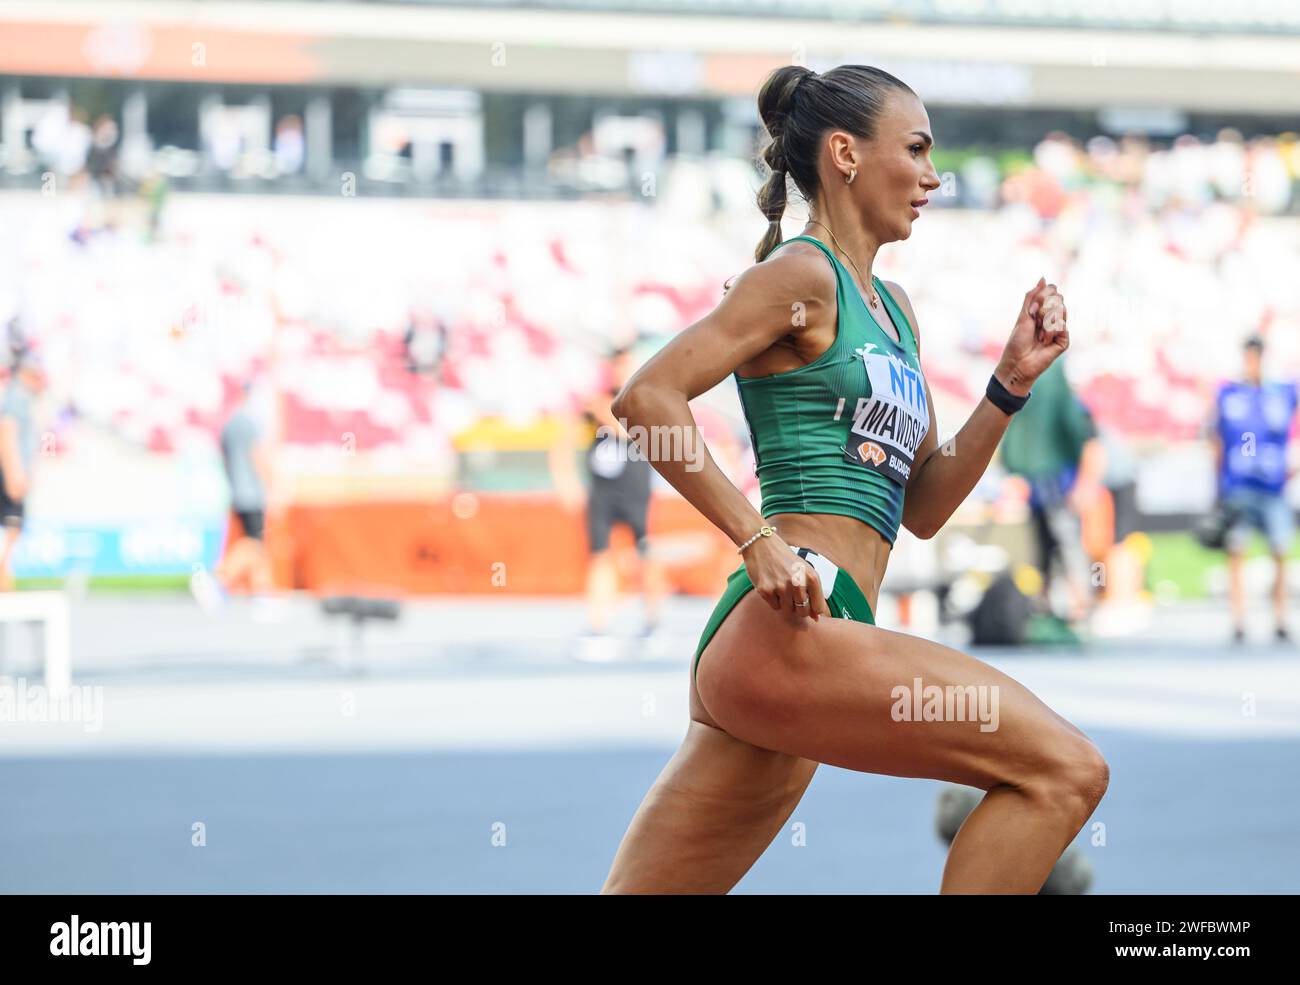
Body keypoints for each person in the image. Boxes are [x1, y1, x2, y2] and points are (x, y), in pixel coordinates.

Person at [600, 64, 1106, 894]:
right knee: (1066, 769)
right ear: (845, 154)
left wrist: (1010, 383)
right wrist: (756, 539)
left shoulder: (895, 310)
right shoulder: (801, 276)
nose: (933, 176)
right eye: (917, 149)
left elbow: (926, 504)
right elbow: (646, 397)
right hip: (791, 626)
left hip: (814, 641)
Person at [550, 346, 670, 660]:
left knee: (646, 555)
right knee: (599, 556)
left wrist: (605, 411)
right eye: (617, 367)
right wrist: (565, 479)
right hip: (603, 492)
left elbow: (631, 432)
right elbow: (563, 438)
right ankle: (598, 625)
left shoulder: (645, 397)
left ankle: (652, 623)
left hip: (637, 491)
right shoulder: (596, 402)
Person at [998, 357, 1103, 626]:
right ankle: (1045, 607)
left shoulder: (1075, 407)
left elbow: (1092, 447)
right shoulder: (1031, 404)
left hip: (1064, 489)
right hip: (1041, 491)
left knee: (1071, 546)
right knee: (1044, 548)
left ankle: (1083, 604)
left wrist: (1084, 486)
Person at [1209, 336, 1298, 644]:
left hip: (1273, 487)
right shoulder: (1229, 394)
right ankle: (1239, 619)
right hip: (1238, 487)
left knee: (1280, 551)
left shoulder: (1282, 393)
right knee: (1236, 551)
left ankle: (1280, 618)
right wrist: (1217, 486)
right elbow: (1217, 439)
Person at [212, 380, 276, 601]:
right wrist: (272, 485)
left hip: (237, 491)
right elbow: (257, 457)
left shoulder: (229, 425)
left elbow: (225, 459)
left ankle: (262, 590)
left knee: (258, 543)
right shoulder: (250, 424)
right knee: (254, 542)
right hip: (252, 493)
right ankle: (221, 576)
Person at [0, 349, 48, 591]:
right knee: (11, 524)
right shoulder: (17, 397)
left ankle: (4, 573)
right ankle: (3, 576)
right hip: (12, 474)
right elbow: (6, 430)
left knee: (13, 527)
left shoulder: (25, 399)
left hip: (17, 472)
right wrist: (15, 472)